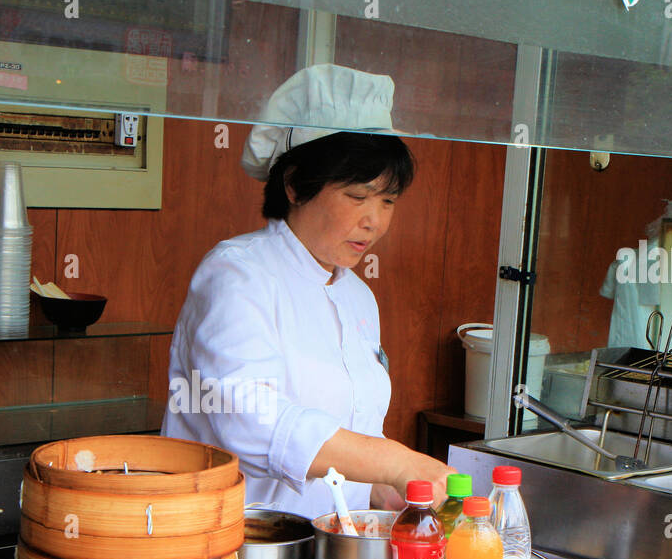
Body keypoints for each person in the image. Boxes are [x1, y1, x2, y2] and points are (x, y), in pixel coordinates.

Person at [161, 65, 454, 519]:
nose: (374, 220)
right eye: (358, 197)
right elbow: (247, 418)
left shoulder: (357, 296)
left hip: (331, 555)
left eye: (388, 200)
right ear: (295, 184)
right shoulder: (237, 274)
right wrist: (396, 461)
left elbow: (345, 445)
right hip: (234, 552)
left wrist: (381, 490)